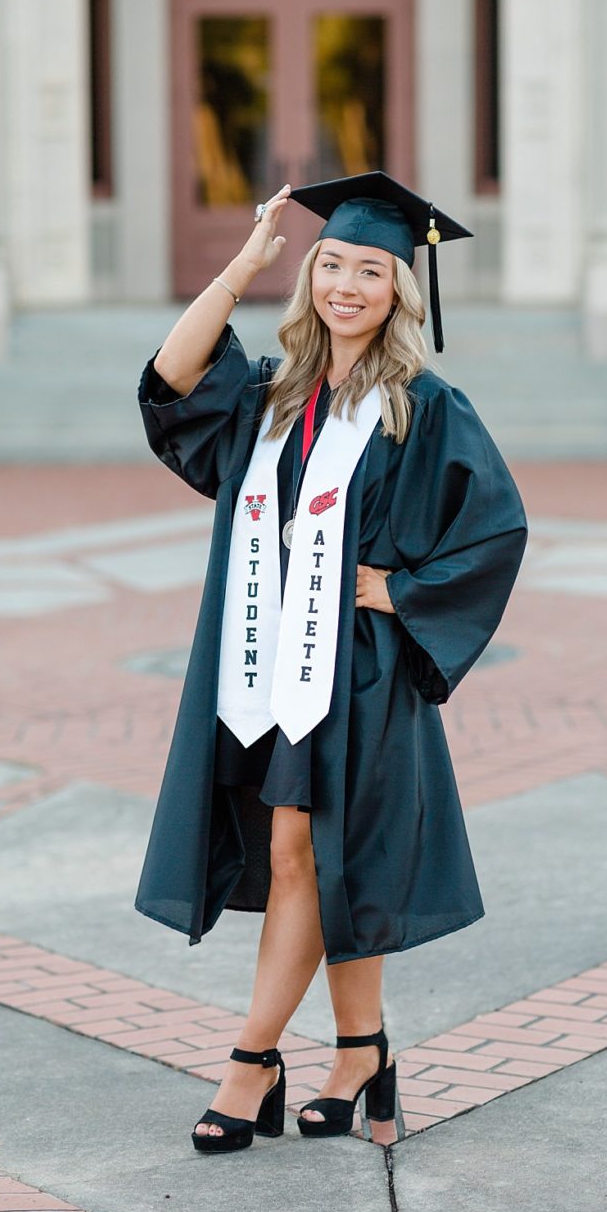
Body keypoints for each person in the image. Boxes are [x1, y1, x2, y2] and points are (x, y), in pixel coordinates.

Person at [132, 172, 527, 1153]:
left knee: (297, 849)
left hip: (357, 674)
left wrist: (401, 592)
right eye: (332, 266)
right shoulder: (268, 396)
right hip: (263, 661)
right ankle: (360, 1054)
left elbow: (495, 528)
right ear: (309, 276)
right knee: (331, 860)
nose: (346, 287)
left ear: (400, 289)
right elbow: (171, 378)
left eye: (370, 271)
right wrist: (243, 262)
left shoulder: (421, 407)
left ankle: (250, 1062)